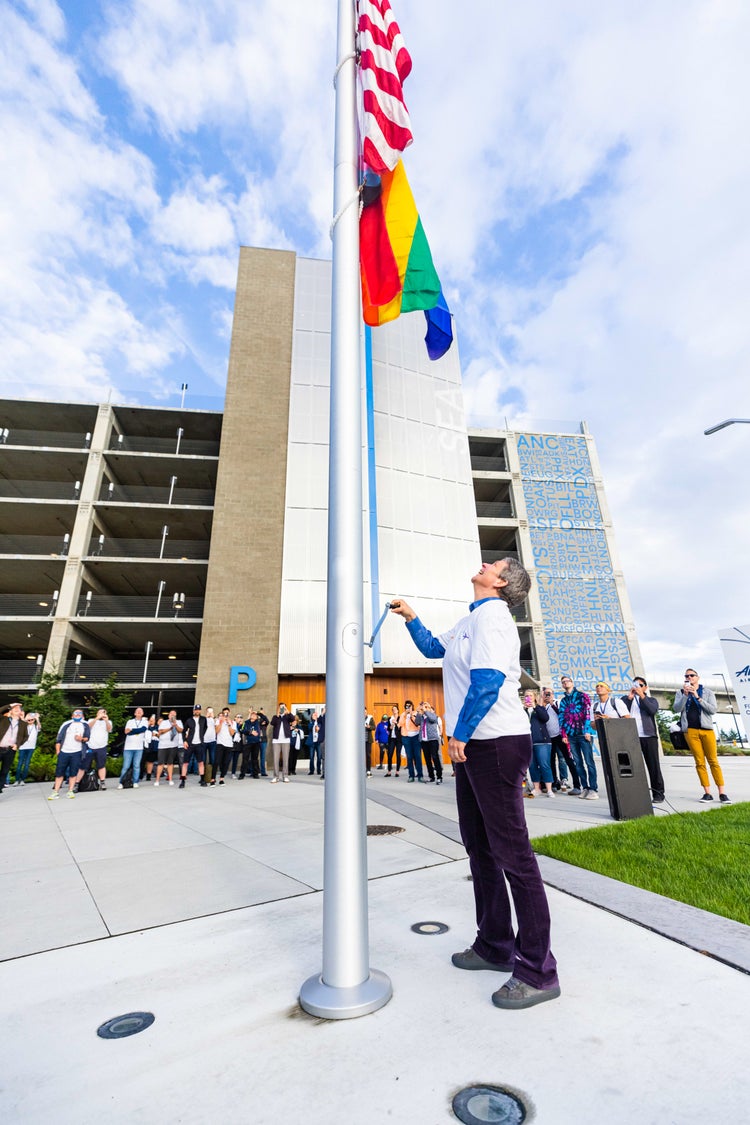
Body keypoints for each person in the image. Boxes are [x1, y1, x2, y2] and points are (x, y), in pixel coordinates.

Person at [391, 558, 560, 1010]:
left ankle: (539, 972)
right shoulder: (471, 618)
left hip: (497, 743)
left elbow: (486, 682)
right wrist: (411, 617)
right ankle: (494, 945)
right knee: (479, 849)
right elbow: (432, 649)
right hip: (476, 743)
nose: (484, 563)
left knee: (514, 856)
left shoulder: (495, 618)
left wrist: (460, 733)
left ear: (501, 582)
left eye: (494, 564)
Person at [673, 669, 730, 803]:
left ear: (698, 677)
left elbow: (712, 710)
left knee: (713, 761)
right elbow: (676, 709)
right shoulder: (680, 693)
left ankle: (722, 793)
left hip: (707, 730)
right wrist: (686, 695)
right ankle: (707, 793)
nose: (689, 677)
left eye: (691, 675)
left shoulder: (707, 692)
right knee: (699, 762)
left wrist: (697, 697)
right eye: (686, 676)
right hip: (690, 731)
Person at [621, 677, 665, 804]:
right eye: (635, 684)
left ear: (645, 687)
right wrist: (630, 697)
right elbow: (620, 711)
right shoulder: (626, 700)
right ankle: (635, 793)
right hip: (632, 736)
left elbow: (652, 710)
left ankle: (658, 793)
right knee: (632, 766)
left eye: (640, 685)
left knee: (653, 766)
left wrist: (641, 696)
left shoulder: (651, 700)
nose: (637, 687)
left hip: (648, 736)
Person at [559, 675, 598, 799]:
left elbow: (588, 713)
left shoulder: (582, 696)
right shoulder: (563, 701)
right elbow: (562, 718)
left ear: (572, 682)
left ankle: (593, 789)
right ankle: (585, 787)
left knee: (589, 762)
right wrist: (564, 734)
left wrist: (588, 731)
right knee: (578, 763)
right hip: (571, 735)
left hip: (583, 734)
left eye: (567, 681)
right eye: (563, 682)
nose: (565, 683)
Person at [541, 688, 577, 792]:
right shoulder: (543, 706)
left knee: (566, 759)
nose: (547, 695)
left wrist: (552, 703)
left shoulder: (558, 702)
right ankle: (554, 782)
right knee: (551, 761)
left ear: (553, 694)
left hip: (560, 736)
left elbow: (563, 715)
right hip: (549, 737)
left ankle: (574, 783)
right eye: (545, 694)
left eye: (549, 693)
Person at [49, 709, 90, 800]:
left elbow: (87, 738)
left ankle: (70, 791)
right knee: (59, 773)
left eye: (79, 713)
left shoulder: (85, 725)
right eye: (75, 713)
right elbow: (59, 739)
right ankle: (55, 791)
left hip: (77, 752)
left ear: (82, 716)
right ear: (72, 716)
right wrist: (58, 751)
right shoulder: (66, 725)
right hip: (64, 751)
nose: (77, 714)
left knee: (73, 772)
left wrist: (81, 739)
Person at [523, 690, 554, 798]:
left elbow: (545, 718)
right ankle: (537, 788)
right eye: (526, 696)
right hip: (528, 742)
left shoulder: (539, 708)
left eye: (530, 695)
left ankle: (549, 789)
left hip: (542, 741)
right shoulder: (522, 710)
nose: (528, 697)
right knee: (532, 766)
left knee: (544, 765)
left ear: (535, 697)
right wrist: (525, 709)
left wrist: (535, 706)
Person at [75, 708, 112, 791]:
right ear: (97, 713)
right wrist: (97, 718)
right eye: (100, 712)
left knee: (101, 765)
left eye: (104, 712)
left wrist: (106, 720)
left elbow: (109, 729)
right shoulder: (92, 720)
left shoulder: (108, 722)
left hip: (102, 747)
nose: (102, 714)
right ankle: (76, 783)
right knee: (83, 766)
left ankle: (102, 782)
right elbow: (88, 727)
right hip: (90, 746)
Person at [1, 703, 28, 793]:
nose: (17, 709)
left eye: (19, 708)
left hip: (10, 750)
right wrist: (10, 704)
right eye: (14, 708)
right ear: (10, 711)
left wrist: (17, 745)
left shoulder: (23, 724)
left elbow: (25, 736)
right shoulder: (4, 719)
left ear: (21, 712)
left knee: (5, 771)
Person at [120, 707, 148, 789]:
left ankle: (135, 781)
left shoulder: (145, 721)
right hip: (128, 747)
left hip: (139, 747)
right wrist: (137, 730)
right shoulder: (130, 721)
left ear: (142, 713)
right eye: (137, 711)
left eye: (140, 711)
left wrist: (132, 730)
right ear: (135, 713)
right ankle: (121, 782)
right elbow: (126, 732)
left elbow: (143, 729)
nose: (139, 712)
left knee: (136, 765)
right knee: (126, 766)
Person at [181, 704, 208, 788]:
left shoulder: (203, 719)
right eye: (196, 710)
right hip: (190, 744)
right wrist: (185, 741)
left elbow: (205, 728)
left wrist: (201, 737)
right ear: (193, 711)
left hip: (199, 744)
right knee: (185, 763)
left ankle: (202, 780)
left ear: (200, 710)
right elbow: (183, 731)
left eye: (199, 710)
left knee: (200, 762)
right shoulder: (189, 720)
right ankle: (182, 781)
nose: (197, 711)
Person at [154, 711, 183, 786]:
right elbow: (160, 731)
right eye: (171, 714)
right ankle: (157, 780)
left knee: (170, 763)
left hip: (173, 745)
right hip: (163, 745)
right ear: (168, 716)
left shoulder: (179, 722)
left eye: (174, 714)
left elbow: (181, 731)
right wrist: (170, 728)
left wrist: (175, 725)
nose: (172, 715)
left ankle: (170, 779)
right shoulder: (164, 722)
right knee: (161, 763)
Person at [417, 701, 443, 783]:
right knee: (427, 759)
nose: (424, 709)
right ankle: (431, 776)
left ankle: (439, 776)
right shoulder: (422, 717)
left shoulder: (433, 715)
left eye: (426, 707)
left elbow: (432, 719)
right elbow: (416, 722)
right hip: (424, 741)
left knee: (435, 758)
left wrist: (426, 710)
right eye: (423, 707)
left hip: (433, 740)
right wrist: (418, 711)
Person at [399, 700, 425, 782]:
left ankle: (420, 775)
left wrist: (411, 715)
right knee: (409, 757)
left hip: (415, 737)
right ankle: (411, 776)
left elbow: (418, 722)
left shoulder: (415, 713)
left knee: (417, 756)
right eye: (407, 706)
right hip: (406, 737)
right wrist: (405, 715)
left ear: (412, 706)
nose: (408, 707)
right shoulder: (402, 715)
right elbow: (400, 724)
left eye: (409, 706)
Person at [14, 710, 40, 785]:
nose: (30, 721)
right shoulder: (23, 726)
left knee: (27, 764)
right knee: (20, 763)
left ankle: (22, 780)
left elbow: (39, 726)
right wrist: (26, 718)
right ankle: (16, 780)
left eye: (32, 719)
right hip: (22, 747)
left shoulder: (35, 727)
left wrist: (37, 718)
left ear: (34, 720)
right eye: (29, 720)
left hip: (31, 747)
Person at [270, 703, 293, 783]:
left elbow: (292, 719)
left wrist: (287, 711)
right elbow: (272, 723)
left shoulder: (287, 717)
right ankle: (276, 776)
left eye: (283, 707)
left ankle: (285, 776)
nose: (282, 709)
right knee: (275, 759)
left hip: (286, 740)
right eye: (280, 707)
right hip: (276, 740)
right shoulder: (275, 717)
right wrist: (277, 714)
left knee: (285, 759)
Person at [213, 708, 236, 784]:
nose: (226, 714)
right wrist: (221, 722)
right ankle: (212, 779)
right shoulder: (218, 721)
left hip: (229, 745)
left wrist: (229, 724)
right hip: (220, 743)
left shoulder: (233, 722)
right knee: (217, 761)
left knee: (226, 762)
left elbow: (232, 733)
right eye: (224, 713)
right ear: (222, 714)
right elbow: (216, 731)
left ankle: (221, 778)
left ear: (229, 713)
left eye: (227, 713)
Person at [241, 710, 262, 779]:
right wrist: (250, 732)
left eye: (255, 715)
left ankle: (255, 774)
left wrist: (259, 713)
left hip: (256, 743)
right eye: (252, 714)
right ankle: (242, 774)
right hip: (248, 743)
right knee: (245, 759)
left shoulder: (258, 722)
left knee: (255, 759)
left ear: (256, 717)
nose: (253, 715)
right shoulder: (246, 722)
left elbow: (266, 721)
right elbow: (242, 729)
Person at [386, 703, 401, 777]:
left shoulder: (401, 718)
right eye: (393, 709)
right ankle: (389, 771)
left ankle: (397, 771)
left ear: (398, 710)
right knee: (389, 755)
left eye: (395, 709)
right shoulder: (390, 718)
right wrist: (392, 724)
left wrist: (396, 722)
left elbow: (401, 728)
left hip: (399, 739)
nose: (394, 710)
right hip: (391, 739)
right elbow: (389, 729)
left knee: (398, 755)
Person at [364, 708, 375, 777]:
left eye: (365, 712)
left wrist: (369, 726)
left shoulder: (370, 718)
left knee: (368, 755)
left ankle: (368, 770)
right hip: (359, 741)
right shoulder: (357, 718)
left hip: (368, 740)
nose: (364, 713)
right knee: (359, 756)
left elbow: (374, 727)